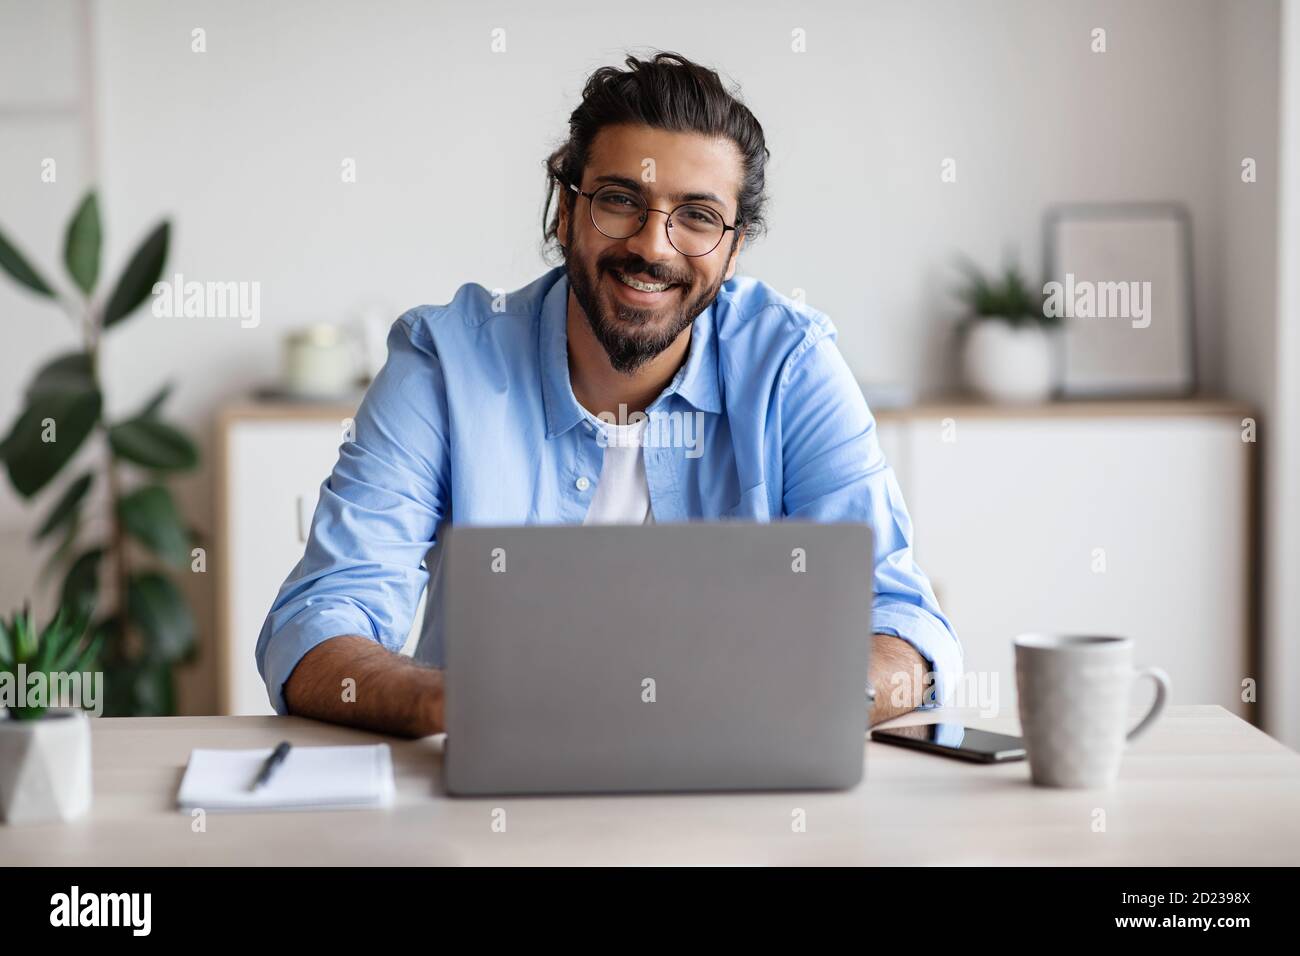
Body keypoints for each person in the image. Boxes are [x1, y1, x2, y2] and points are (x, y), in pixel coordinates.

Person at [256, 51, 961, 737]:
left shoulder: (791, 365)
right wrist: (446, 702)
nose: (653, 246)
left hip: (742, 807)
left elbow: (906, 626)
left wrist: (792, 706)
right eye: (621, 201)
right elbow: (318, 621)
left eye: (697, 216)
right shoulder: (445, 363)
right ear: (566, 210)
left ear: (733, 247)